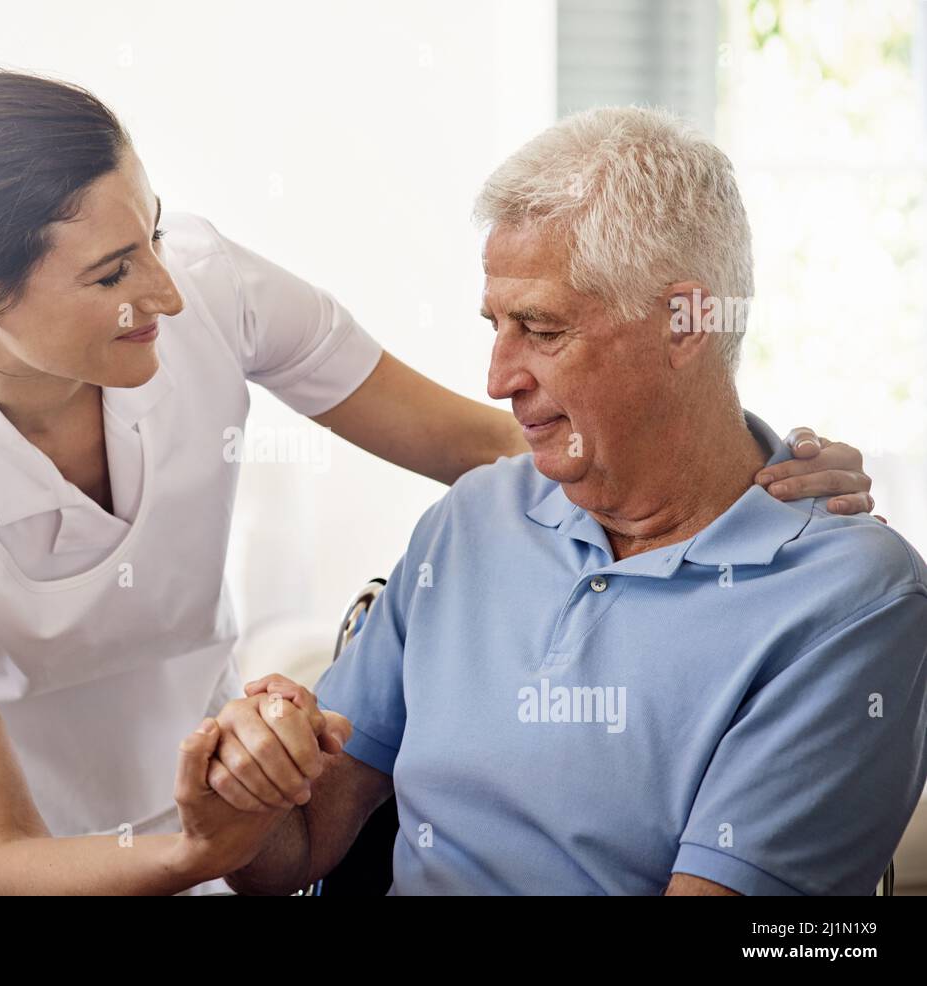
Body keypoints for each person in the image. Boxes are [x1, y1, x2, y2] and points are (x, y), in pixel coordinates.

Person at [0, 73, 878, 895]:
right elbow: (4, 857)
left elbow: (489, 442)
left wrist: (750, 467)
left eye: (148, 231)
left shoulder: (203, 282)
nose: (167, 285)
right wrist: (201, 848)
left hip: (152, 696)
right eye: (112, 272)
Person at [189, 106, 927, 896]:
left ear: (685, 325)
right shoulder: (470, 523)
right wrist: (243, 787)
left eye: (540, 330)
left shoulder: (850, 602)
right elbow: (294, 853)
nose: (497, 377)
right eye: (495, 325)